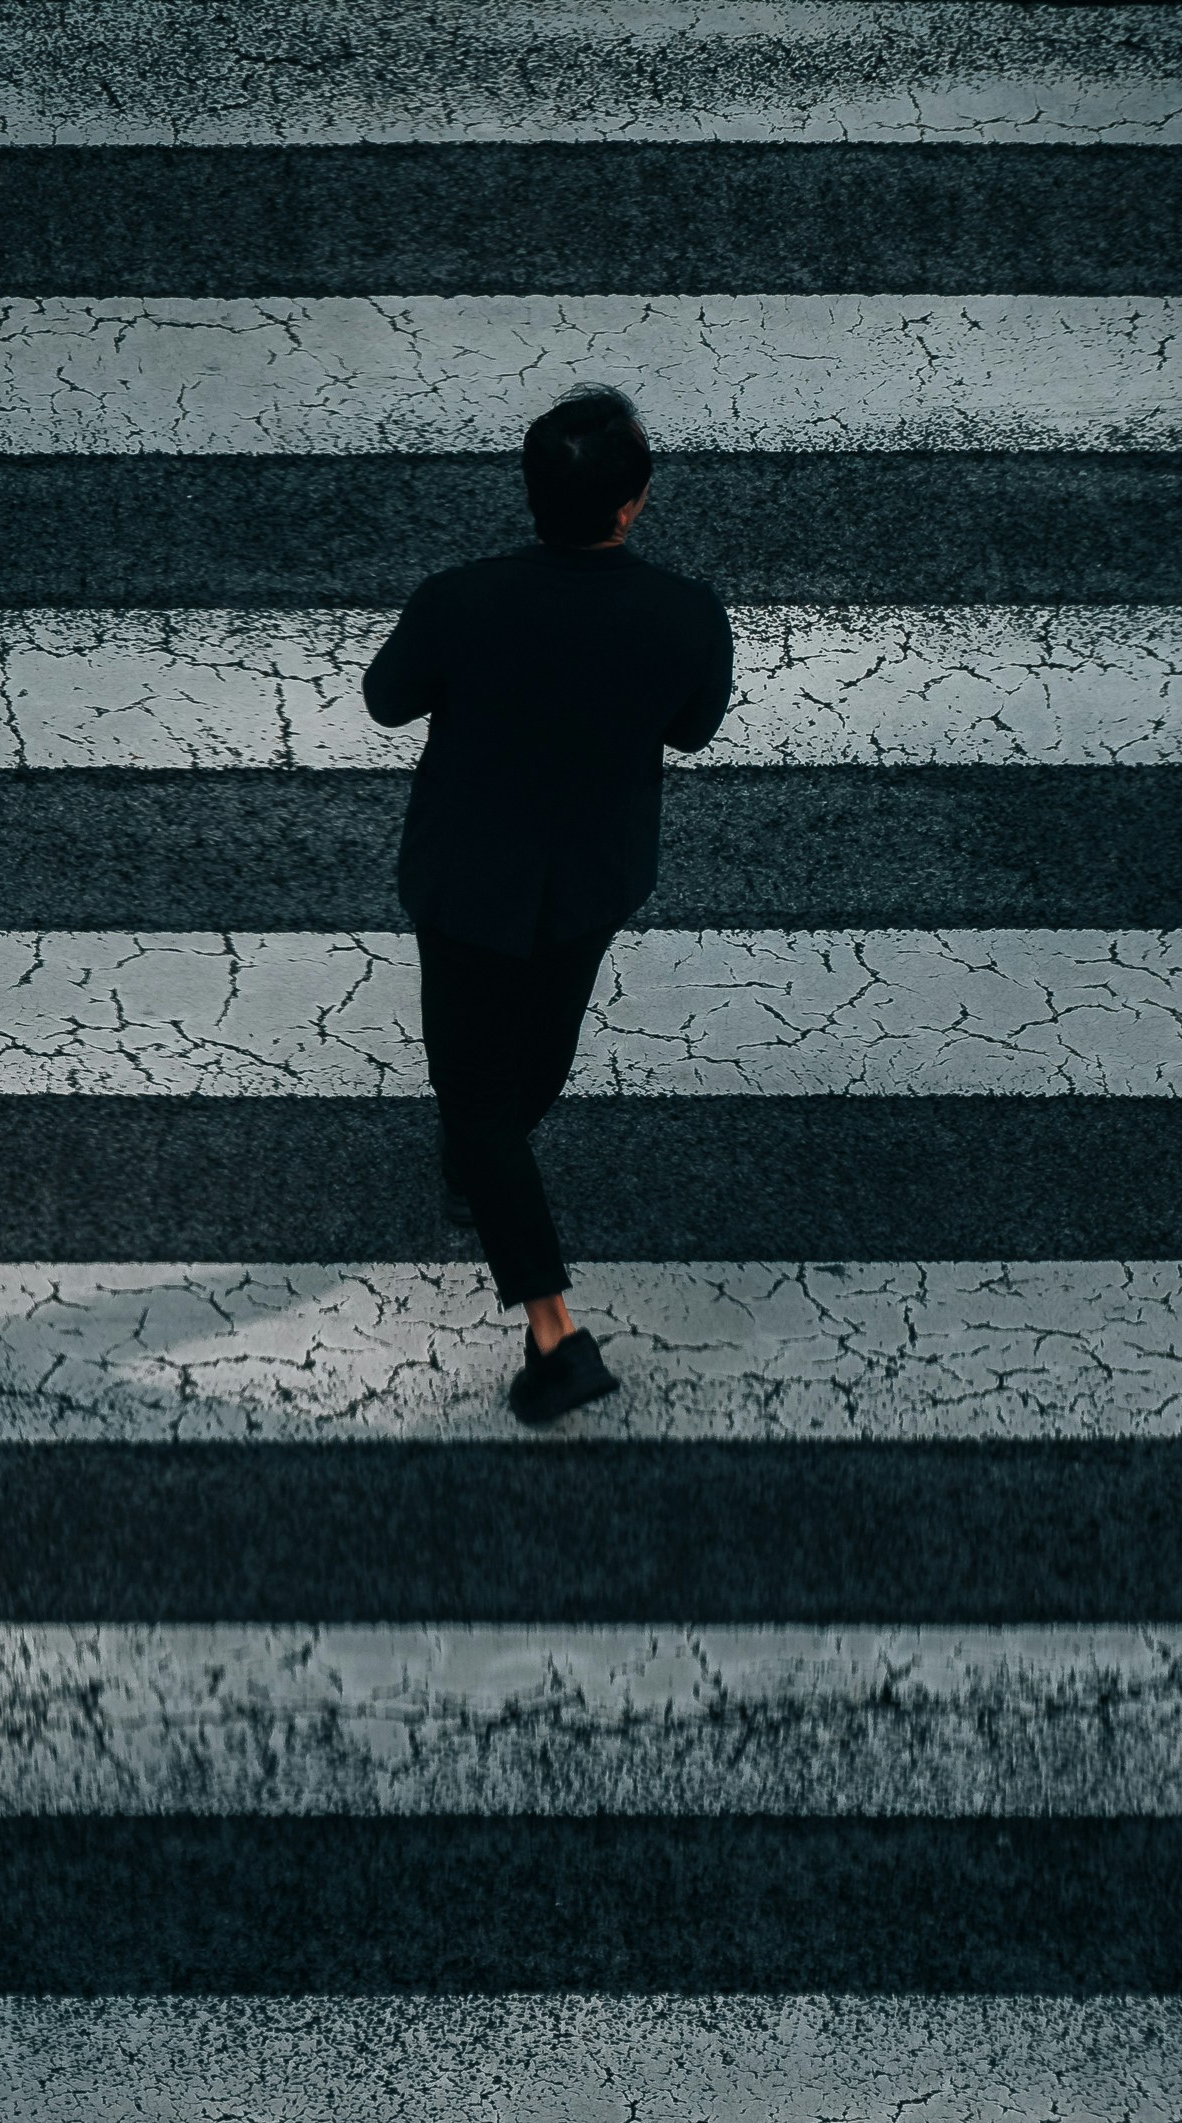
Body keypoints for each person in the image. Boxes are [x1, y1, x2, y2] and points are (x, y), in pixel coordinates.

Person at [362, 388, 734, 1424]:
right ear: (631, 506)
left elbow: (386, 698)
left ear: (531, 495)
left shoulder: (459, 598)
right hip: (587, 880)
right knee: (529, 1075)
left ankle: (556, 1333)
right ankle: (497, 1198)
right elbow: (695, 730)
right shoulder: (685, 615)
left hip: (467, 879)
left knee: (477, 1108)